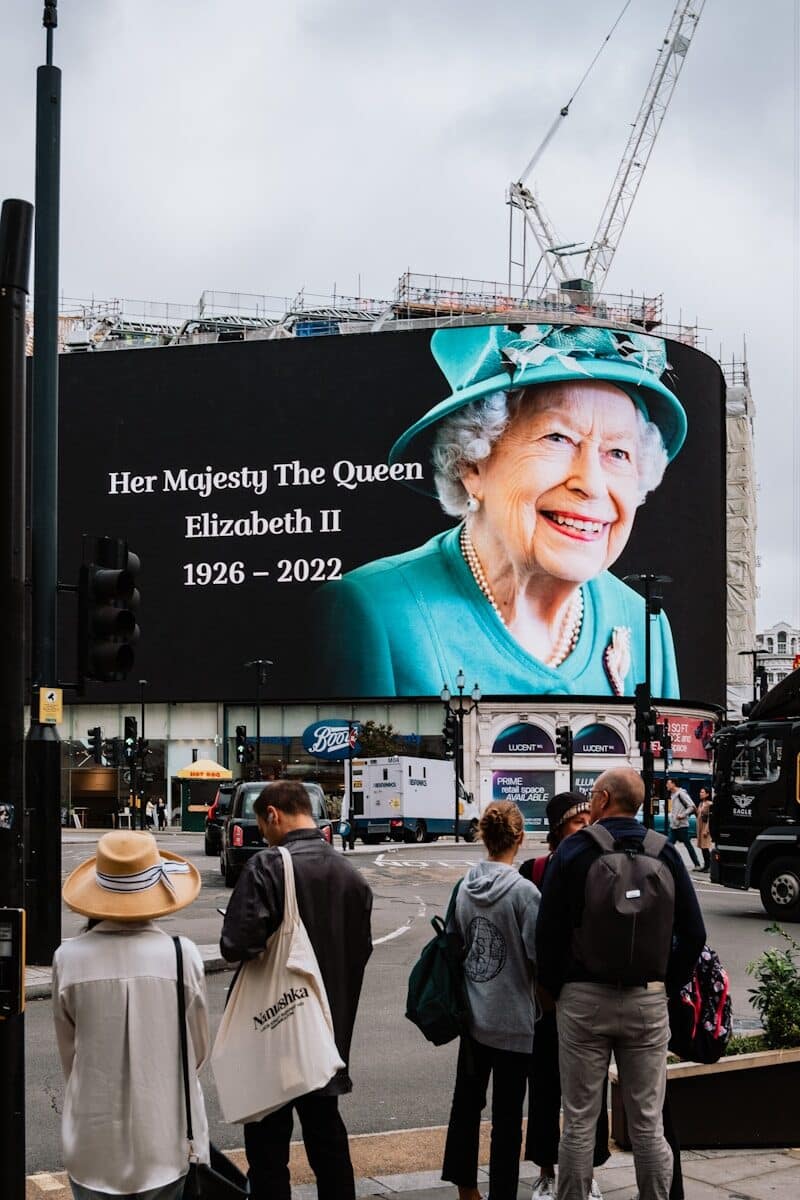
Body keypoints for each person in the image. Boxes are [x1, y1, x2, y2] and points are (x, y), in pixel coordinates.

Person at [309, 324, 686, 698]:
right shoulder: (376, 612)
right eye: (558, 438)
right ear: (471, 465)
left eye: (618, 453)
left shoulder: (644, 622)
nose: (591, 484)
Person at [536, 767, 705, 1200]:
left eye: (593, 795)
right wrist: (665, 983)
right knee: (648, 1124)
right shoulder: (664, 852)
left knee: (578, 1121)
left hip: (583, 999)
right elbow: (694, 934)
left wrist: (556, 990)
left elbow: (548, 932)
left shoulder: (574, 851)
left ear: (605, 798)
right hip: (647, 1000)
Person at [221, 780, 373, 1200]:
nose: (263, 834)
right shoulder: (353, 878)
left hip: (276, 1029)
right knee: (328, 1140)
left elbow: (236, 945)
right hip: (325, 1032)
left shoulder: (268, 866)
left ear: (274, 814)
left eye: (261, 824)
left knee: (268, 1150)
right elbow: (360, 952)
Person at [52, 831, 208, 1200]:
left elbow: (69, 1056)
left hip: (92, 1144)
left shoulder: (68, 959)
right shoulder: (181, 954)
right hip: (166, 1140)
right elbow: (198, 1051)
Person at [441, 800, 539, 1200]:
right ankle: (502, 1192)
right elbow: (538, 957)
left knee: (466, 1104)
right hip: (515, 1020)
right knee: (507, 1117)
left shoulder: (464, 886)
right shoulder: (525, 893)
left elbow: (455, 941)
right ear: (519, 838)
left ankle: (466, 1187)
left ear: (484, 836)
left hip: (474, 1016)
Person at [518, 792, 608, 1200]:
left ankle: (586, 1173)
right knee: (544, 1087)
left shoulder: (601, 866)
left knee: (590, 1092)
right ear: (558, 829)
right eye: (577, 821)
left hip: (590, 996)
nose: (586, 826)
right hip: (546, 1000)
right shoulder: (533, 869)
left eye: (590, 818)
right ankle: (547, 1171)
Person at [666, 778, 701, 869]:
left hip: (682, 825)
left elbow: (692, 806)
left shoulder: (681, 794)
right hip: (674, 825)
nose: (667, 785)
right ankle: (666, 863)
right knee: (669, 845)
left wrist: (682, 815)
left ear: (673, 784)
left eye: (668, 783)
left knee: (688, 845)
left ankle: (697, 864)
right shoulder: (673, 794)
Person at [695, 785, 712, 871]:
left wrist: (707, 829)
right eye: (700, 792)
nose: (700, 793)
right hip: (700, 827)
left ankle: (708, 866)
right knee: (702, 847)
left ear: (707, 794)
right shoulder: (701, 803)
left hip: (705, 828)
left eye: (702, 792)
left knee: (705, 847)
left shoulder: (709, 804)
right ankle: (706, 865)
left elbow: (710, 818)